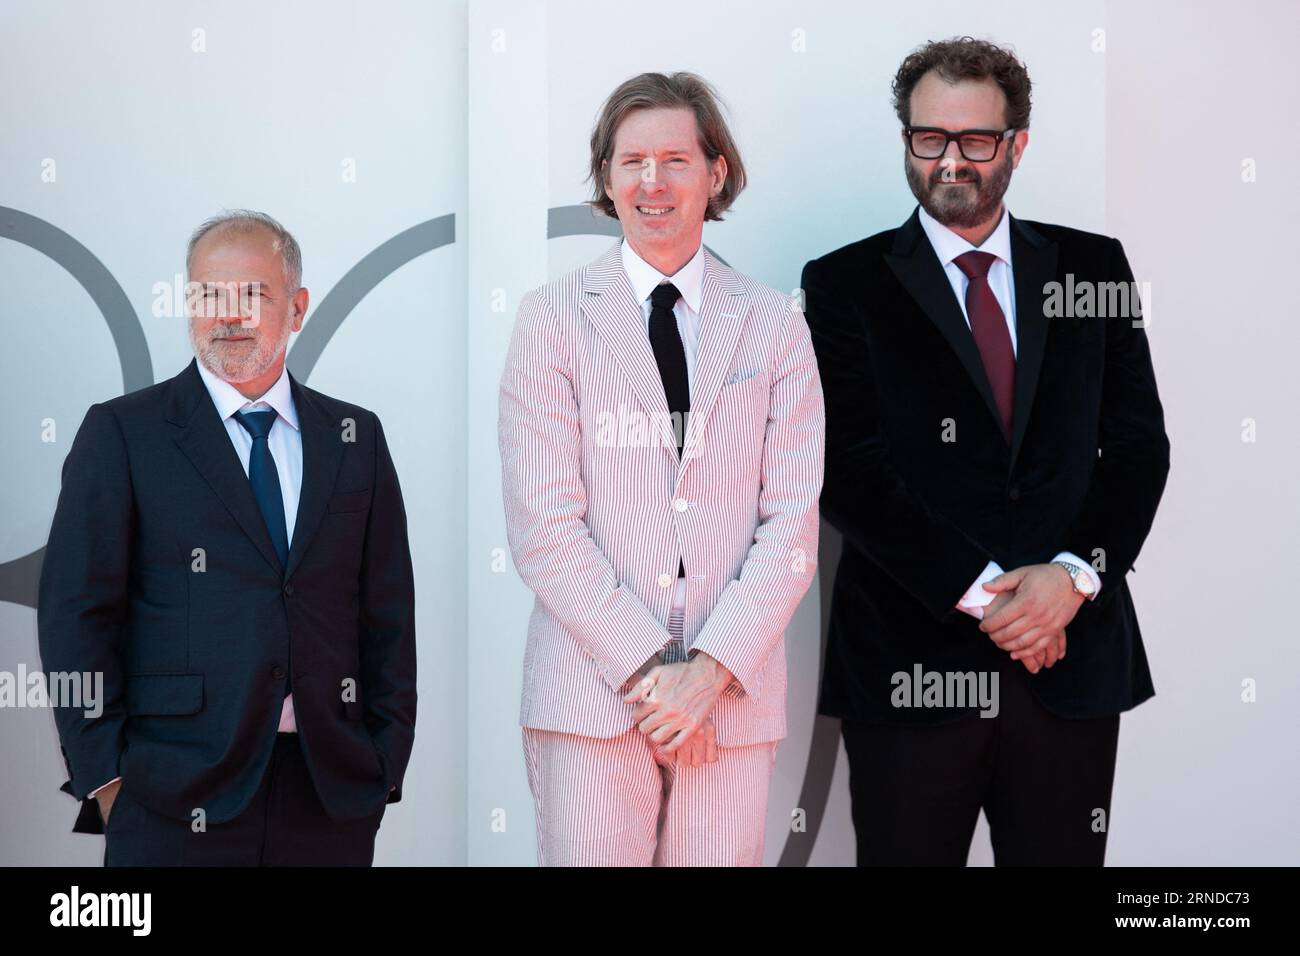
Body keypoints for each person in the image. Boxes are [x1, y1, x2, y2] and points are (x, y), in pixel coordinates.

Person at [803, 37, 1169, 865]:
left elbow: (1139, 450)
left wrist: (1072, 578)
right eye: (928, 138)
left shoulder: (1094, 266)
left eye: (975, 140)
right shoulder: (842, 283)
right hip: (910, 670)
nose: (950, 161)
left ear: (1018, 144)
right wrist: (995, 602)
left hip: (1069, 665)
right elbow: (848, 471)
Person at [499, 72, 824, 866]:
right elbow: (544, 529)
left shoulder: (777, 325)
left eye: (675, 158)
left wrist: (706, 675)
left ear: (716, 173)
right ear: (606, 180)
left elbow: (791, 525)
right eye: (631, 160)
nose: (652, 182)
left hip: (731, 702)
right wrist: (656, 675)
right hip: (590, 699)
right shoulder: (551, 320)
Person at [38, 210, 416, 865]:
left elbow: (387, 613)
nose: (229, 315)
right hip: (169, 792)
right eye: (210, 295)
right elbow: (75, 612)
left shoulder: (356, 438)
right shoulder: (125, 434)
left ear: (296, 308)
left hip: (328, 792)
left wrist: (381, 760)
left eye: (253, 295)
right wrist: (104, 775)